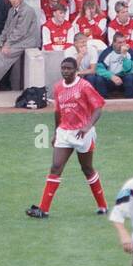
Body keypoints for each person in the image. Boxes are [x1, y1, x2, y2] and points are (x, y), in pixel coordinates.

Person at [26, 57, 109, 219]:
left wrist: (88, 126)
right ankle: (43, 209)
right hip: (65, 132)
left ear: (76, 69)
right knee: (56, 166)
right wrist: (56, 132)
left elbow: (98, 107)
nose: (65, 71)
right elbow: (58, 112)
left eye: (69, 68)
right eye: (63, 68)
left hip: (82, 133)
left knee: (87, 169)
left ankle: (102, 205)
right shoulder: (58, 87)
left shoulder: (84, 86)